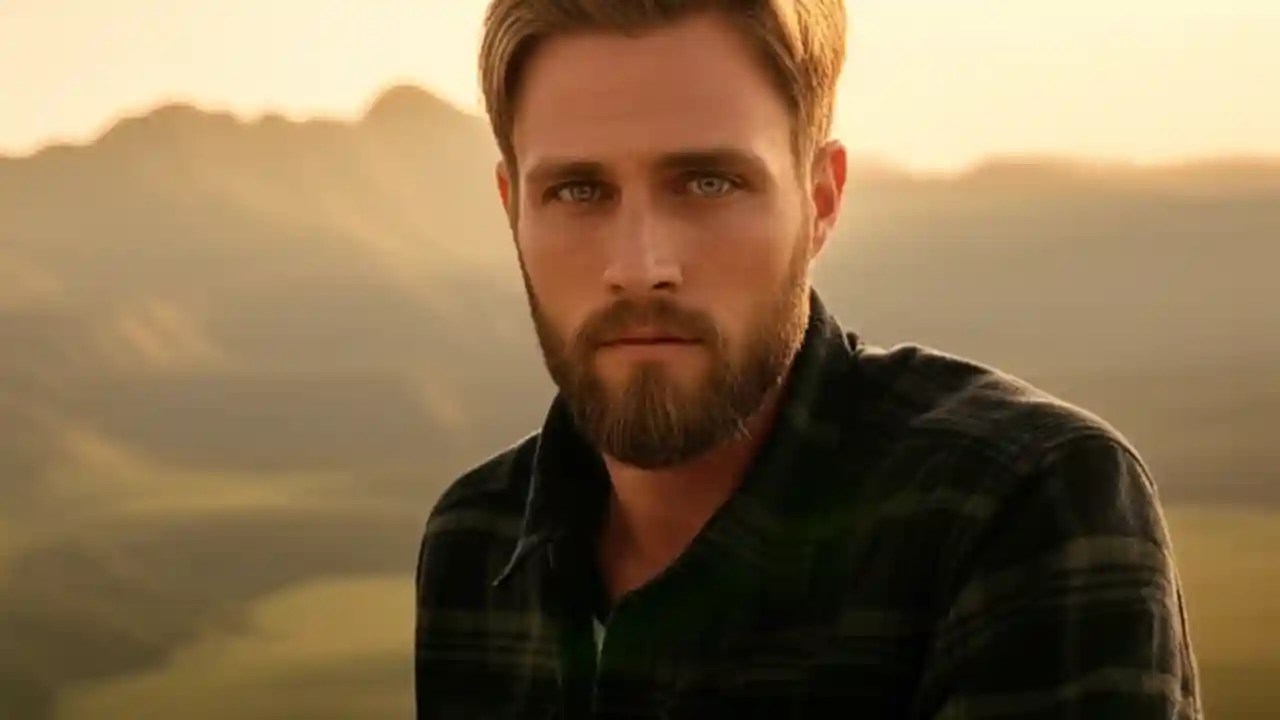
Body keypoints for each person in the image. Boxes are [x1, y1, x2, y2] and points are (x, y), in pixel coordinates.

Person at [414, 1, 1203, 717]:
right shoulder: (475, 546)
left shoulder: (1019, 507)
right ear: (512, 207)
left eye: (708, 182)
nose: (641, 263)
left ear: (821, 201)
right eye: (579, 192)